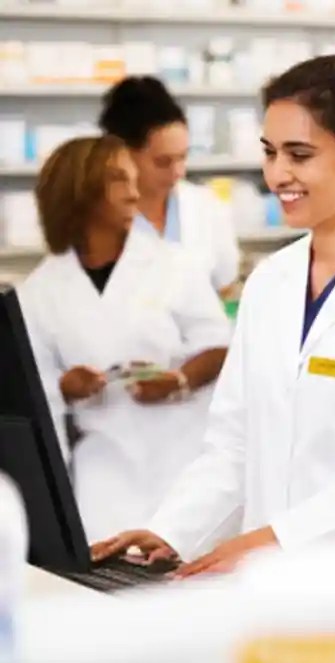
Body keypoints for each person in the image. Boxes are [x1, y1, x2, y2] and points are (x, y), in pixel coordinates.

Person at [90, 55, 335, 576]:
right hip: (278, 588)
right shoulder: (271, 282)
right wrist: (170, 529)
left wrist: (275, 539)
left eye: (300, 154)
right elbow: (232, 444)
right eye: (270, 153)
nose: (278, 174)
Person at [18, 135, 231, 541]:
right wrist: (66, 388)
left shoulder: (174, 265)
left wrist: (179, 379)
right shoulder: (40, 291)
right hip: (104, 471)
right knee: (106, 586)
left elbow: (219, 346)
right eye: (119, 180)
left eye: (134, 179)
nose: (135, 194)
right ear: (80, 191)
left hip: (180, 460)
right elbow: (30, 391)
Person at [99, 76, 242, 297]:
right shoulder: (95, 216)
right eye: (163, 161)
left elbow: (225, 287)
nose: (179, 172)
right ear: (123, 155)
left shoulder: (206, 207)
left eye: (183, 157)